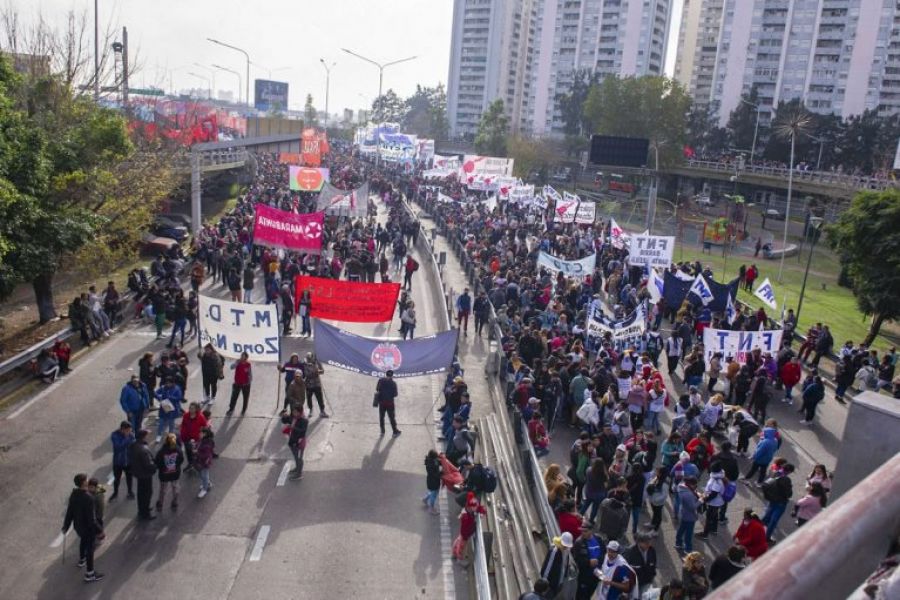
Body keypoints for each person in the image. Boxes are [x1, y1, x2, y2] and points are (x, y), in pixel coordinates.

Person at [62, 473, 105, 583]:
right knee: (90, 550)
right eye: (86, 480)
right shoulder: (88, 497)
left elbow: (70, 512)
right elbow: (92, 519)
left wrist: (65, 526)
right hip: (88, 529)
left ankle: (82, 560)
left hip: (78, 527)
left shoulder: (74, 494)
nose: (87, 481)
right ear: (83, 483)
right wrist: (100, 530)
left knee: (83, 541)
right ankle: (90, 574)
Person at [760, 462, 795, 542]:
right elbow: (789, 494)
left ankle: (756, 528)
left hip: (772, 499)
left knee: (766, 516)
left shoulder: (776, 473)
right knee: (773, 520)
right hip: (781, 502)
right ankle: (767, 537)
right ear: (789, 471)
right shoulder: (786, 479)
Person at [129, 429, 157, 520]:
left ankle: (141, 510)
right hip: (145, 474)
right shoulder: (144, 449)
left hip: (138, 473)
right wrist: (155, 467)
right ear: (144, 436)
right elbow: (148, 464)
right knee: (147, 493)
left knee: (140, 493)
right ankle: (145, 513)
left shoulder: (133, 445)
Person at [453, 492, 486, 565]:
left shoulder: (470, 508)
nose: (476, 507)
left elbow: (479, 508)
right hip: (465, 534)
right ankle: (459, 558)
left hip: (465, 533)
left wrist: (482, 511)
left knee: (458, 540)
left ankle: (454, 553)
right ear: (470, 507)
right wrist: (465, 537)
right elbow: (464, 529)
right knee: (462, 546)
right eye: (475, 506)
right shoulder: (466, 517)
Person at [573, 525, 605, 599]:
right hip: (584, 576)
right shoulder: (578, 543)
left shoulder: (599, 539)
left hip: (596, 575)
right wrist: (588, 562)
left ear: (591, 531)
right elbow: (576, 560)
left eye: (585, 531)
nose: (583, 533)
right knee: (581, 596)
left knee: (589, 595)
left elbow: (604, 553)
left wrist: (599, 562)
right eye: (582, 531)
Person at [155, 433, 184, 511]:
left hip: (164, 474)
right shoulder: (178, 450)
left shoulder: (161, 451)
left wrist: (162, 468)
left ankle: (160, 503)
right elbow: (181, 460)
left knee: (163, 489)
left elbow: (157, 462)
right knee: (175, 488)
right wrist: (176, 467)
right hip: (175, 473)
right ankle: (175, 502)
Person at [623, 531, 657, 596]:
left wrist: (652, 575)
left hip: (647, 581)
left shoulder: (652, 550)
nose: (649, 545)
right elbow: (623, 567)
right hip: (633, 583)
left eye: (650, 542)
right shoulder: (630, 552)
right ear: (639, 542)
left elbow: (653, 564)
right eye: (646, 543)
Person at [697, 463, 726, 539]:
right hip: (717, 502)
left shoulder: (717, 481)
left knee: (709, 517)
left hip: (714, 503)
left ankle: (705, 534)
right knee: (715, 516)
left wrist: (704, 499)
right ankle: (714, 529)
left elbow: (714, 494)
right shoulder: (719, 476)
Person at [540, 531, 574, 596]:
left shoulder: (566, 552)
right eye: (564, 545)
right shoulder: (554, 550)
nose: (565, 547)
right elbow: (548, 567)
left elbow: (565, 566)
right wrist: (544, 582)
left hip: (557, 584)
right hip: (548, 586)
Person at [281, 405, 309, 480]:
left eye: (295, 412)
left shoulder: (304, 420)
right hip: (292, 442)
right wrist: (284, 416)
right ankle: (297, 468)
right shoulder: (293, 417)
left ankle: (299, 474)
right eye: (293, 411)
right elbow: (285, 421)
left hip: (299, 444)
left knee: (299, 458)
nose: (293, 413)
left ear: (300, 412)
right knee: (296, 457)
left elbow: (302, 432)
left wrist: (293, 427)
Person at [109, 421, 135, 501]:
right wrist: (126, 438)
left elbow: (133, 445)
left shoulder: (131, 435)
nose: (130, 432)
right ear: (122, 429)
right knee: (117, 479)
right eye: (128, 431)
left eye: (130, 430)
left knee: (129, 478)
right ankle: (115, 492)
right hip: (118, 462)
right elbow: (118, 447)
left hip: (128, 461)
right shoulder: (115, 435)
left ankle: (130, 491)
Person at [675, 476, 700, 555]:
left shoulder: (682, 488)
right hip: (689, 516)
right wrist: (700, 501)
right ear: (690, 484)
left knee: (681, 528)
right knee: (688, 533)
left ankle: (678, 543)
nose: (696, 486)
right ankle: (688, 549)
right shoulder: (688, 494)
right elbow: (693, 507)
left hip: (683, 513)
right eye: (695, 485)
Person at [154, 378, 184, 443]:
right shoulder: (163, 388)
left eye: (169, 383)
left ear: (173, 383)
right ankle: (159, 435)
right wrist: (159, 397)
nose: (168, 384)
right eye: (167, 383)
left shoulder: (177, 389)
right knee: (161, 423)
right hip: (164, 407)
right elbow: (155, 393)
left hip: (172, 409)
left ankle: (171, 436)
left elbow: (179, 398)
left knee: (171, 424)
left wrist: (170, 397)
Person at [180, 402, 208, 468]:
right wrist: (182, 432)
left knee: (196, 451)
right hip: (186, 437)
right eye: (190, 408)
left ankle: (196, 463)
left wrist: (202, 433)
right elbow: (183, 424)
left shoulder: (201, 417)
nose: (190, 409)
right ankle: (190, 463)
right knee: (188, 451)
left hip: (196, 438)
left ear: (196, 409)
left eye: (192, 408)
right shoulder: (186, 415)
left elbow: (205, 426)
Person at [375, 369, 401, 437]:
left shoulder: (380, 380)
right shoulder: (393, 383)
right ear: (392, 376)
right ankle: (395, 432)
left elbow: (377, 389)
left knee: (381, 417)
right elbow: (395, 394)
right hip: (390, 403)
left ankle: (382, 431)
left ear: (386, 374)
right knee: (391, 417)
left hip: (381, 402)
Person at [227, 352, 252, 416]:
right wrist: (236, 363)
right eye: (241, 356)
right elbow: (231, 367)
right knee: (234, 397)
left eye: (243, 356)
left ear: (246, 357)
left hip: (245, 384)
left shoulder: (248, 364)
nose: (242, 357)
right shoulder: (237, 362)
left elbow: (250, 374)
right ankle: (231, 409)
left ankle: (244, 410)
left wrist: (249, 382)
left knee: (245, 398)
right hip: (237, 383)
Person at [304, 353, 328, 417]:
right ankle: (310, 410)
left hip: (317, 383)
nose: (309, 359)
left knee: (320, 398)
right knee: (309, 398)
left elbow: (322, 371)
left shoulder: (317, 363)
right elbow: (306, 374)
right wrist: (313, 373)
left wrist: (318, 371)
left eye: (310, 357)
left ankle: (322, 411)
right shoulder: (305, 364)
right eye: (308, 358)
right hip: (309, 384)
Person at [195, 427, 215, 498]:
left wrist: (196, 452)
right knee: (202, 474)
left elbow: (205, 455)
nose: (199, 434)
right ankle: (207, 484)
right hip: (201, 461)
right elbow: (199, 446)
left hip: (204, 462)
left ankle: (204, 489)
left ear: (205, 434)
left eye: (200, 433)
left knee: (204, 475)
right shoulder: (203, 440)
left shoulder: (207, 444)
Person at [423, 450, 442, 515]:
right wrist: (441, 473)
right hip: (433, 481)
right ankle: (431, 509)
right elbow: (434, 474)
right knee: (434, 495)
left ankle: (425, 499)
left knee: (432, 492)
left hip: (431, 481)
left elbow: (439, 462)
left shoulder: (431, 461)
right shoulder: (431, 464)